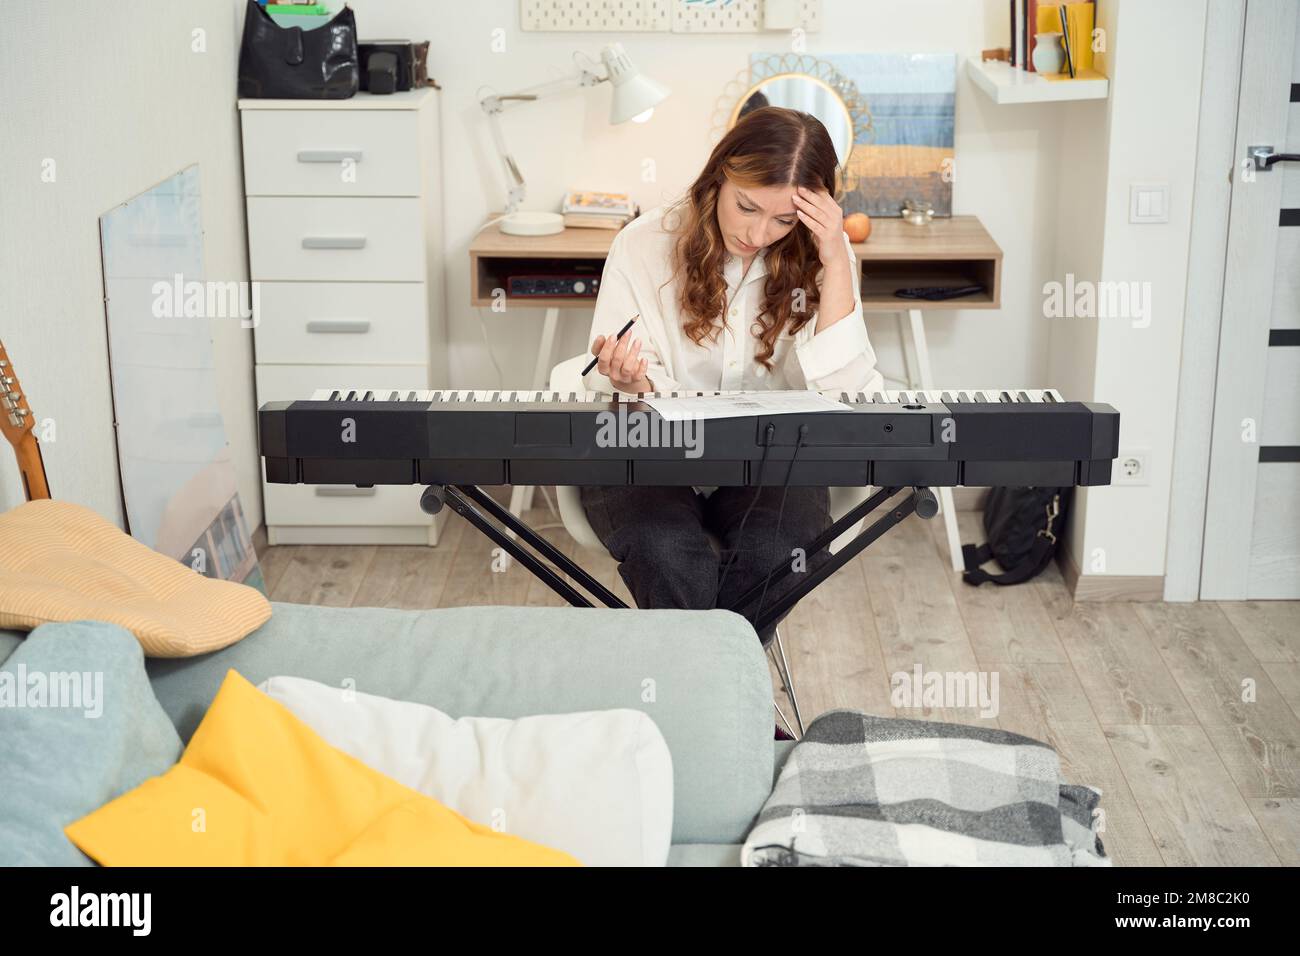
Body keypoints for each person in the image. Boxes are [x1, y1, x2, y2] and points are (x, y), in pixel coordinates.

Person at [579, 106, 885, 647]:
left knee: (779, 554)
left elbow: (846, 393)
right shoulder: (643, 243)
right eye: (746, 206)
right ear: (720, 174)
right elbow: (623, 381)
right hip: (649, 454)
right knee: (665, 552)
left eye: (783, 220)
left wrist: (836, 260)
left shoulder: (824, 257)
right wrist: (630, 380)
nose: (758, 233)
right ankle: (727, 684)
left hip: (771, 466)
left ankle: (695, 684)